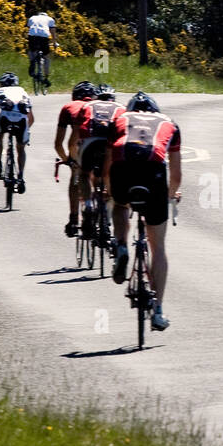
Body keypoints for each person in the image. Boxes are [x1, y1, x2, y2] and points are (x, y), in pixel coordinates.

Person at [104, 92, 182, 331]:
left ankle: (121, 245)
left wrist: (109, 191)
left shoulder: (118, 119)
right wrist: (171, 196)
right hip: (154, 174)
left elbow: (108, 165)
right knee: (158, 247)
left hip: (123, 169)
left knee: (119, 205)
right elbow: (177, 176)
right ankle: (158, 311)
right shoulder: (170, 123)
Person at [74, 85, 125, 235]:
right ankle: (108, 204)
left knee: (83, 173)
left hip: (91, 142)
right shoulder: (122, 108)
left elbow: (76, 135)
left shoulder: (87, 105)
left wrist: (75, 155)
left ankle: (88, 205)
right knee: (112, 177)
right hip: (112, 144)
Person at [54, 81, 99, 236]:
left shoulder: (68, 107)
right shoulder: (101, 105)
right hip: (104, 144)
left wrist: (68, 160)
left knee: (77, 175)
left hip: (80, 144)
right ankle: (104, 217)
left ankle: (74, 218)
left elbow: (58, 144)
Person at [0, 71, 33, 193]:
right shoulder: (23, 92)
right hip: (22, 120)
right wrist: (25, 133)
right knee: (21, 148)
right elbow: (31, 119)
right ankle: (21, 177)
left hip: (5, 118)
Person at [26, 10, 57, 88]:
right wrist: (54, 43)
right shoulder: (50, 19)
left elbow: (29, 28)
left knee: (32, 50)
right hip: (43, 37)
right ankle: (46, 77)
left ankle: (32, 61)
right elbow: (53, 33)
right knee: (46, 57)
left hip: (32, 36)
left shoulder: (32, 17)